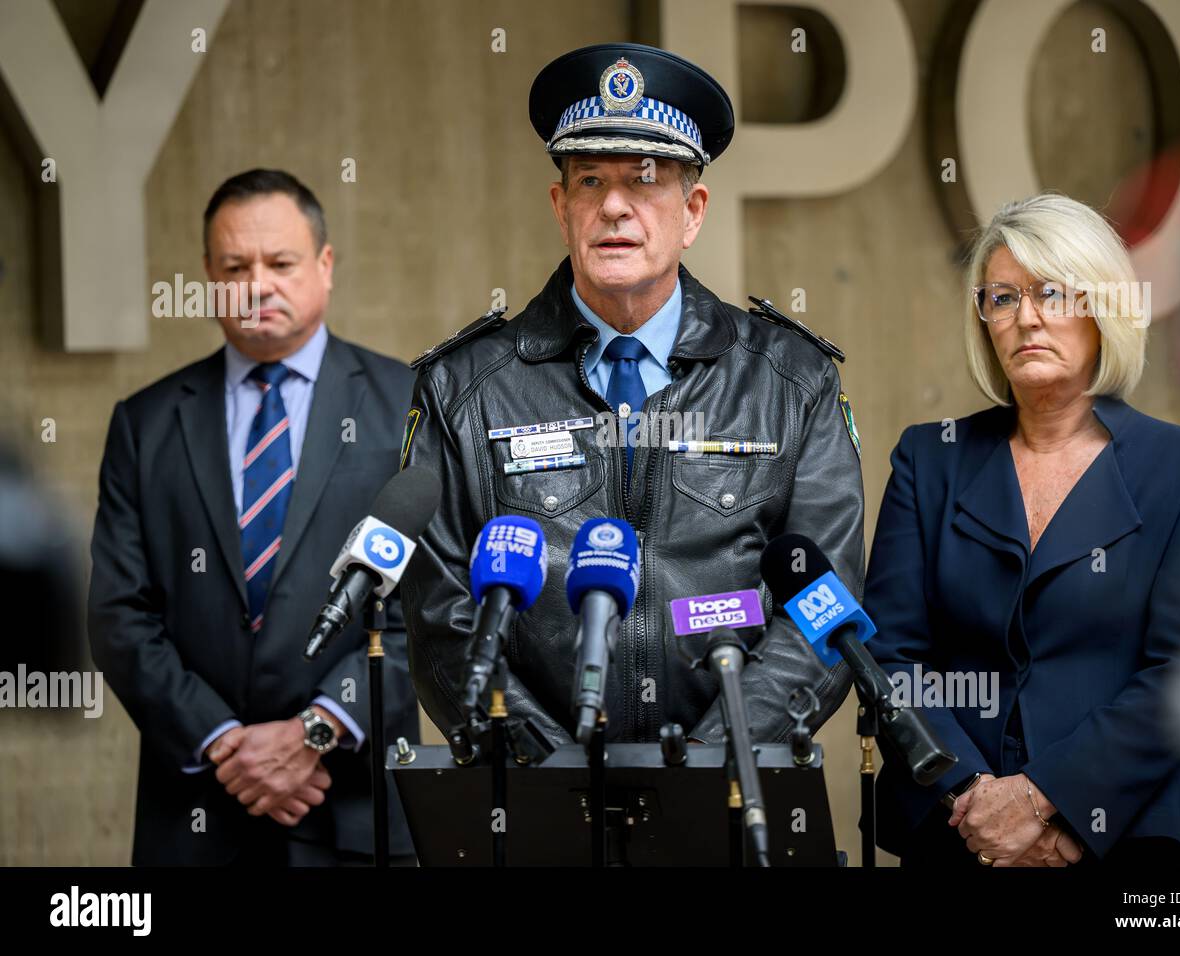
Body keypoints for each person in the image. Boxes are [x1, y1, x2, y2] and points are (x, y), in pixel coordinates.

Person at [401, 43, 865, 748]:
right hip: (534, 810)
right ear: (561, 207)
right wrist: (554, 775)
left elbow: (823, 607)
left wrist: (708, 768)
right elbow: (441, 619)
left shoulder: (790, 381)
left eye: (644, 181)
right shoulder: (465, 388)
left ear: (693, 210)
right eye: (589, 181)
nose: (613, 206)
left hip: (734, 801)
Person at [866, 192, 1180, 866]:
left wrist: (1049, 800)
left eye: (1053, 293)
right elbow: (890, 657)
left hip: (1139, 836)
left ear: (1103, 306)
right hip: (959, 831)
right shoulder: (930, 458)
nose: (1027, 319)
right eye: (1003, 298)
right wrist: (974, 798)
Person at [88, 169, 419, 865]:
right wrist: (222, 740)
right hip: (200, 815)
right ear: (208, 275)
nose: (258, 283)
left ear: (324, 267)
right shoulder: (146, 423)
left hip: (356, 814)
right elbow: (119, 614)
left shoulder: (408, 403)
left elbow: (436, 606)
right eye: (236, 266)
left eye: (281, 263)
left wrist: (317, 731)